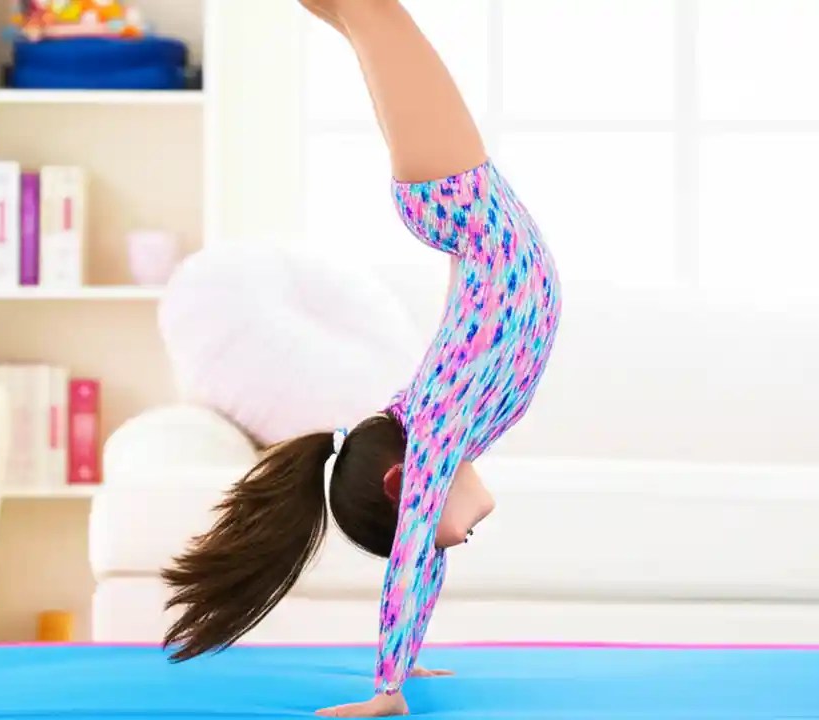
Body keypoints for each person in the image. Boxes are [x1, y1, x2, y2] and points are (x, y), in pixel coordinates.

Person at [159, 0, 563, 715]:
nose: (459, 539)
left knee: (369, 8)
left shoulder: (437, 428)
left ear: (405, 482)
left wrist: (386, 692)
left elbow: (411, 557)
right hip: (457, 203)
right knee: (353, 14)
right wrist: (408, 664)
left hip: (458, 201)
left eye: (446, 534)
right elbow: (425, 562)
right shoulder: (457, 426)